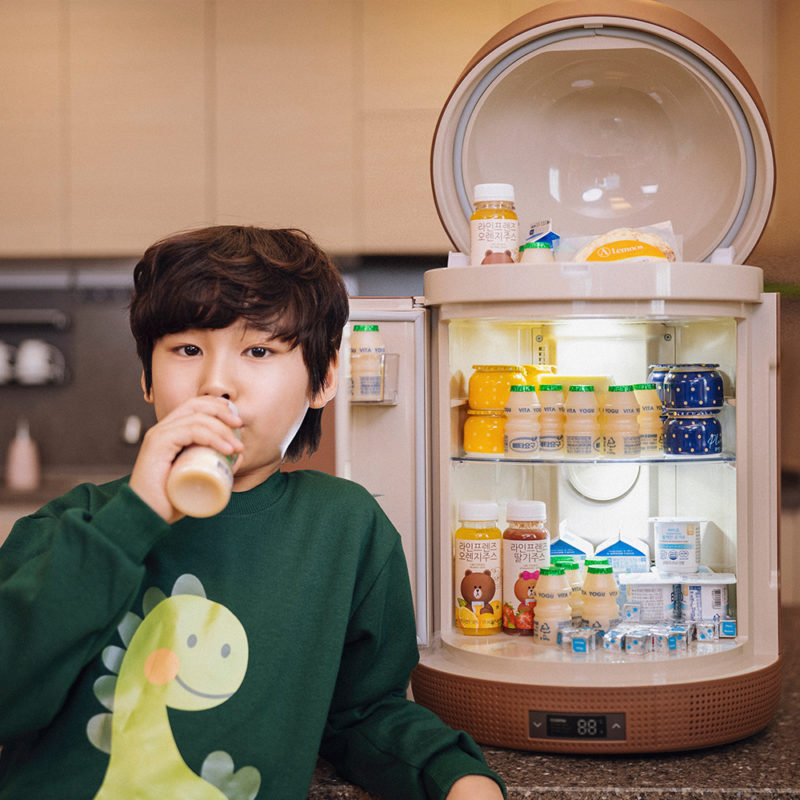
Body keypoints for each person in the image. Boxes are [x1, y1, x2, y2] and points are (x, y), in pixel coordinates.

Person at [0, 226, 505, 800]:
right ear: (146, 378)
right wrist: (130, 520)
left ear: (325, 378)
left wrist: (451, 775)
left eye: (259, 350)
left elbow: (363, 715)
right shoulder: (74, 525)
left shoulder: (344, 528)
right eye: (188, 350)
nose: (217, 383)